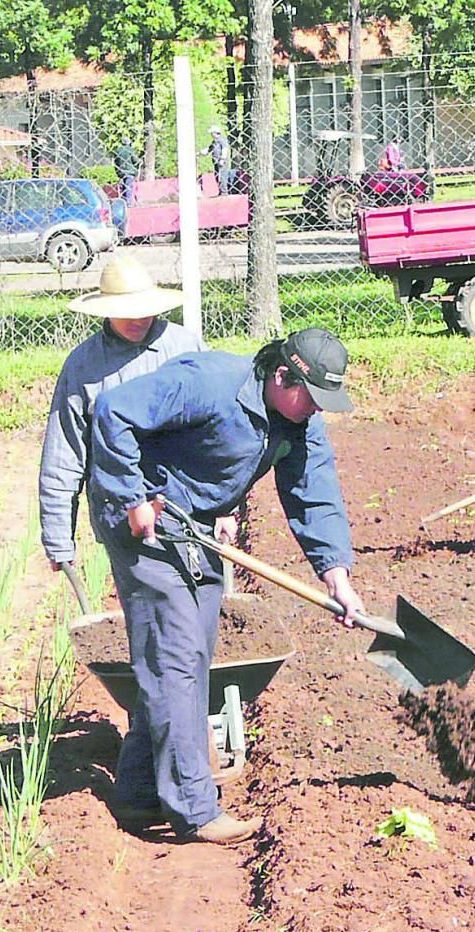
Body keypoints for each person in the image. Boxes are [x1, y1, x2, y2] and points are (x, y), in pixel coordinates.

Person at [88, 330, 368, 846]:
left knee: (190, 655)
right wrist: (132, 498)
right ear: (282, 376)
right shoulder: (209, 383)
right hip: (143, 521)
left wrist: (337, 577)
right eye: (311, 397)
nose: (315, 410)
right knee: (176, 657)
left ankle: (138, 791)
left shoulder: (299, 421)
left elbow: (314, 494)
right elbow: (113, 410)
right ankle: (195, 811)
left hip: (193, 528)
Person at [38, 255, 204, 576]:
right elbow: (64, 456)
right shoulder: (83, 365)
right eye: (128, 312)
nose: (138, 320)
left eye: (145, 310)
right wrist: (58, 538)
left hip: (188, 508)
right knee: (150, 602)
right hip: (121, 518)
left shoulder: (185, 348)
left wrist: (226, 507)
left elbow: (217, 432)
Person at [112, 140, 139, 204]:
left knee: (123, 187)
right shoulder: (131, 150)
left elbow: (116, 162)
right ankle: (129, 202)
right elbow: (135, 160)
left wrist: (118, 171)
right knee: (129, 186)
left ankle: (124, 201)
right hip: (130, 172)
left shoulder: (118, 150)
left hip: (121, 172)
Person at [208, 125, 231, 194]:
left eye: (212, 133)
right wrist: (199, 153)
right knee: (217, 176)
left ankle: (224, 191)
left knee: (222, 177)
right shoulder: (214, 142)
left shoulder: (222, 140)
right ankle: (220, 190)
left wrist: (222, 159)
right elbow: (209, 149)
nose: (211, 135)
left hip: (222, 162)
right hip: (216, 162)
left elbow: (225, 150)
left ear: (215, 133)